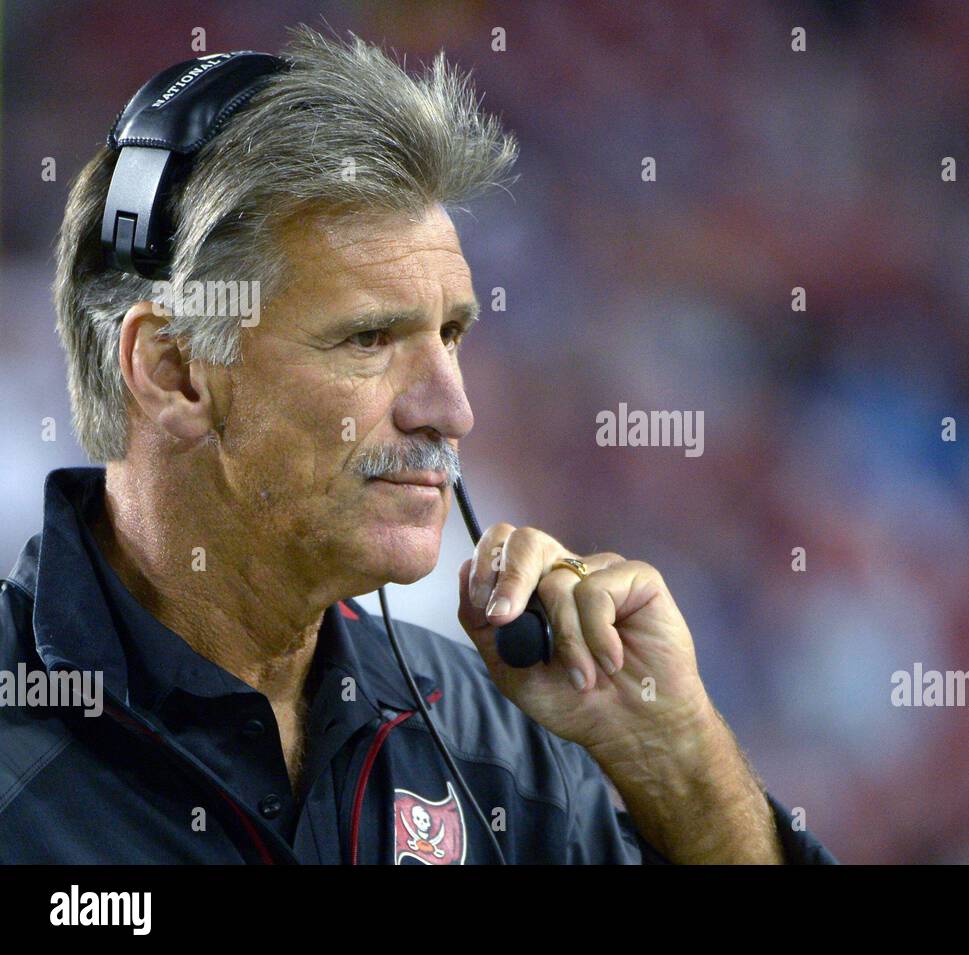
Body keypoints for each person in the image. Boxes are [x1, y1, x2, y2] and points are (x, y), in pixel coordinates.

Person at [0, 27, 835, 864]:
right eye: (369, 339)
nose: (453, 409)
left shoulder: (499, 737)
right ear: (174, 369)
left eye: (452, 333)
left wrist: (678, 758)